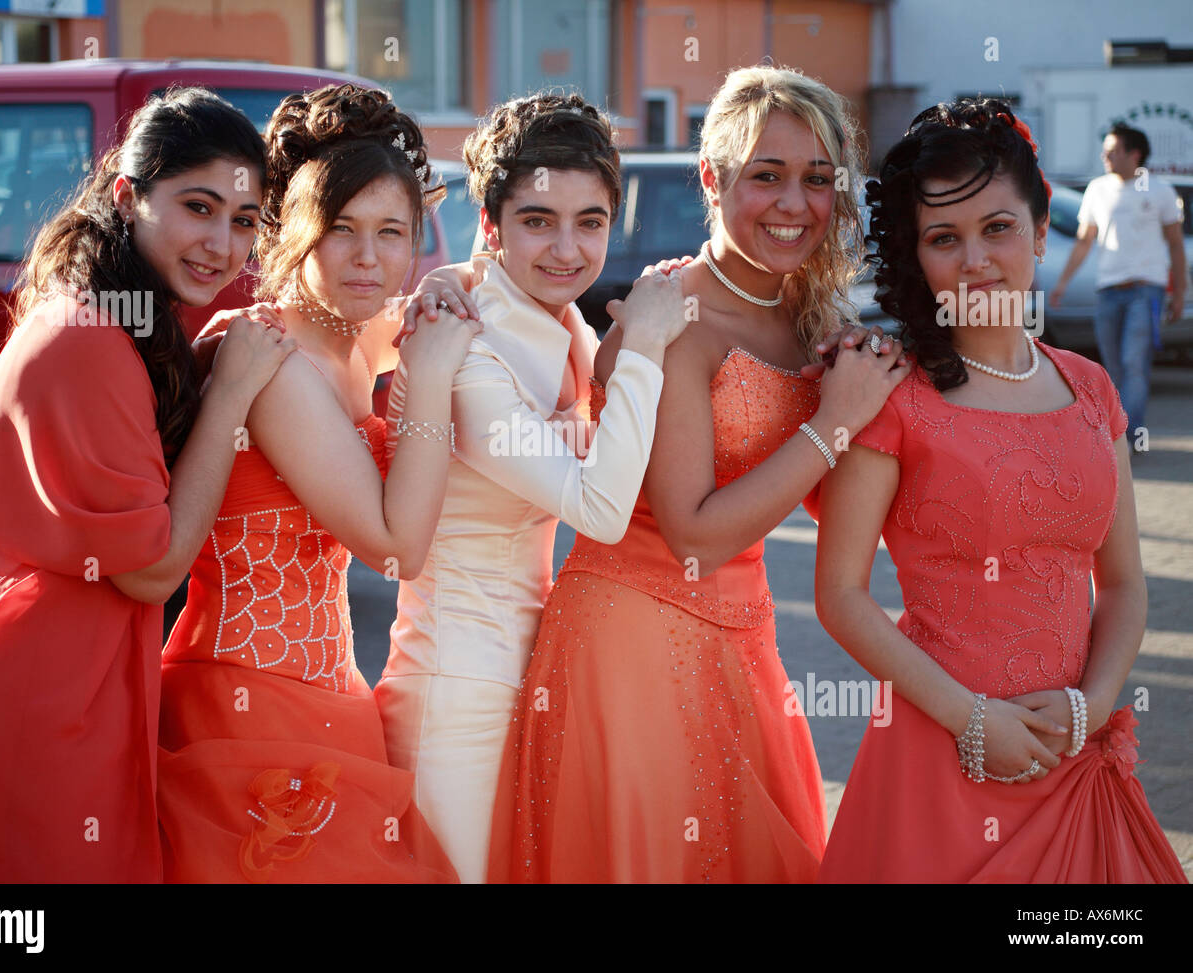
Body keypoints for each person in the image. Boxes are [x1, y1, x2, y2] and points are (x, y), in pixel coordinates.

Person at [487, 65, 909, 883]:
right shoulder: (675, 317)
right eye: (767, 176)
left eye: (817, 179)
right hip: (633, 639)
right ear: (712, 178)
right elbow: (694, 531)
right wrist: (831, 424)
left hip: (746, 639)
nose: (795, 203)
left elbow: (812, 501)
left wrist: (866, 398)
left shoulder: (810, 316)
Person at [0, 88, 295, 883]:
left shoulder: (118, 322)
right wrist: (229, 396)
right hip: (28, 718)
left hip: (59, 708)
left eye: (244, 220)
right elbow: (151, 567)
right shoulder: (90, 340)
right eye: (198, 206)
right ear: (127, 196)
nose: (222, 242)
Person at [816, 99, 1186, 883]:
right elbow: (840, 595)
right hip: (937, 754)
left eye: (998, 228)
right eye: (943, 238)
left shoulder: (1090, 388)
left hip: (1073, 756)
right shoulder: (890, 389)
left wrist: (1090, 708)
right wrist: (971, 717)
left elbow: (1122, 586)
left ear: (1042, 224)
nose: (975, 258)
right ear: (916, 256)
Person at [155, 84, 475, 883]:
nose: (368, 258)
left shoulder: (352, 335)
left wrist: (447, 290)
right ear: (294, 232)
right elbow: (397, 546)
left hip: (338, 694)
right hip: (244, 695)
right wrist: (430, 377)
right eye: (340, 231)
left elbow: (440, 304)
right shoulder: (273, 358)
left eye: (391, 233)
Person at [371, 93, 690, 883]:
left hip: (538, 673)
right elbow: (599, 507)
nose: (567, 247)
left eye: (590, 221)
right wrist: (644, 342)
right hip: (457, 689)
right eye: (537, 219)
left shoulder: (559, 322)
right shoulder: (468, 347)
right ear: (492, 222)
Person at [1049, 122, 1187, 447]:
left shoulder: (1160, 190)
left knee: (1134, 364)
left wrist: (1178, 291)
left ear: (1133, 154)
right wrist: (1062, 283)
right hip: (1108, 291)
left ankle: (1128, 439)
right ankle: (1120, 431)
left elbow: (1176, 244)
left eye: (1111, 151)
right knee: (1112, 369)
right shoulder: (1097, 189)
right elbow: (1084, 241)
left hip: (1146, 290)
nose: (1105, 156)